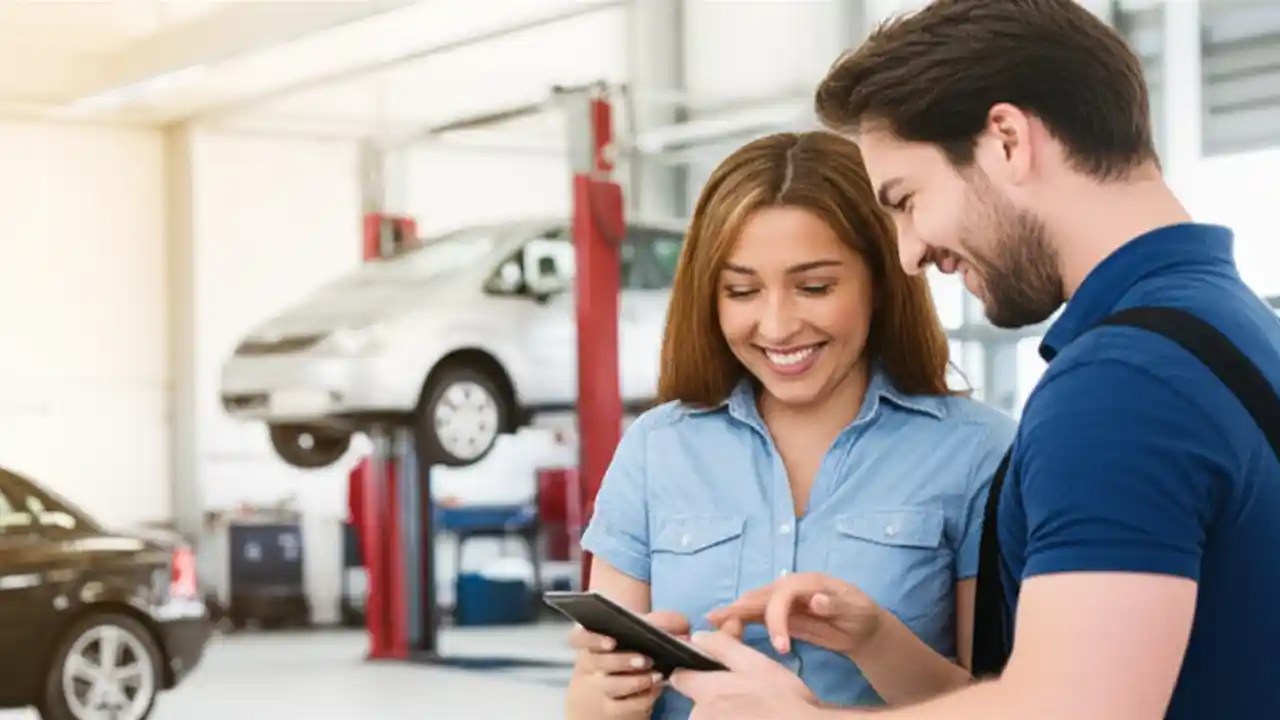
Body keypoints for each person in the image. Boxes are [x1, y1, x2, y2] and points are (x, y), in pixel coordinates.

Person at [669, 1, 1280, 719]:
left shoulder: (1120, 385)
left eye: (907, 200)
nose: (909, 253)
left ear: (1007, 141)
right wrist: (878, 642)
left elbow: (1071, 712)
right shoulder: (1230, 325)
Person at [562, 129, 1015, 720]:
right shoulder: (656, 449)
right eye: (741, 290)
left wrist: (877, 641)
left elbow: (1009, 704)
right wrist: (602, 699)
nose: (777, 327)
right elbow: (587, 697)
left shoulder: (980, 452)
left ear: (881, 282)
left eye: (814, 287)